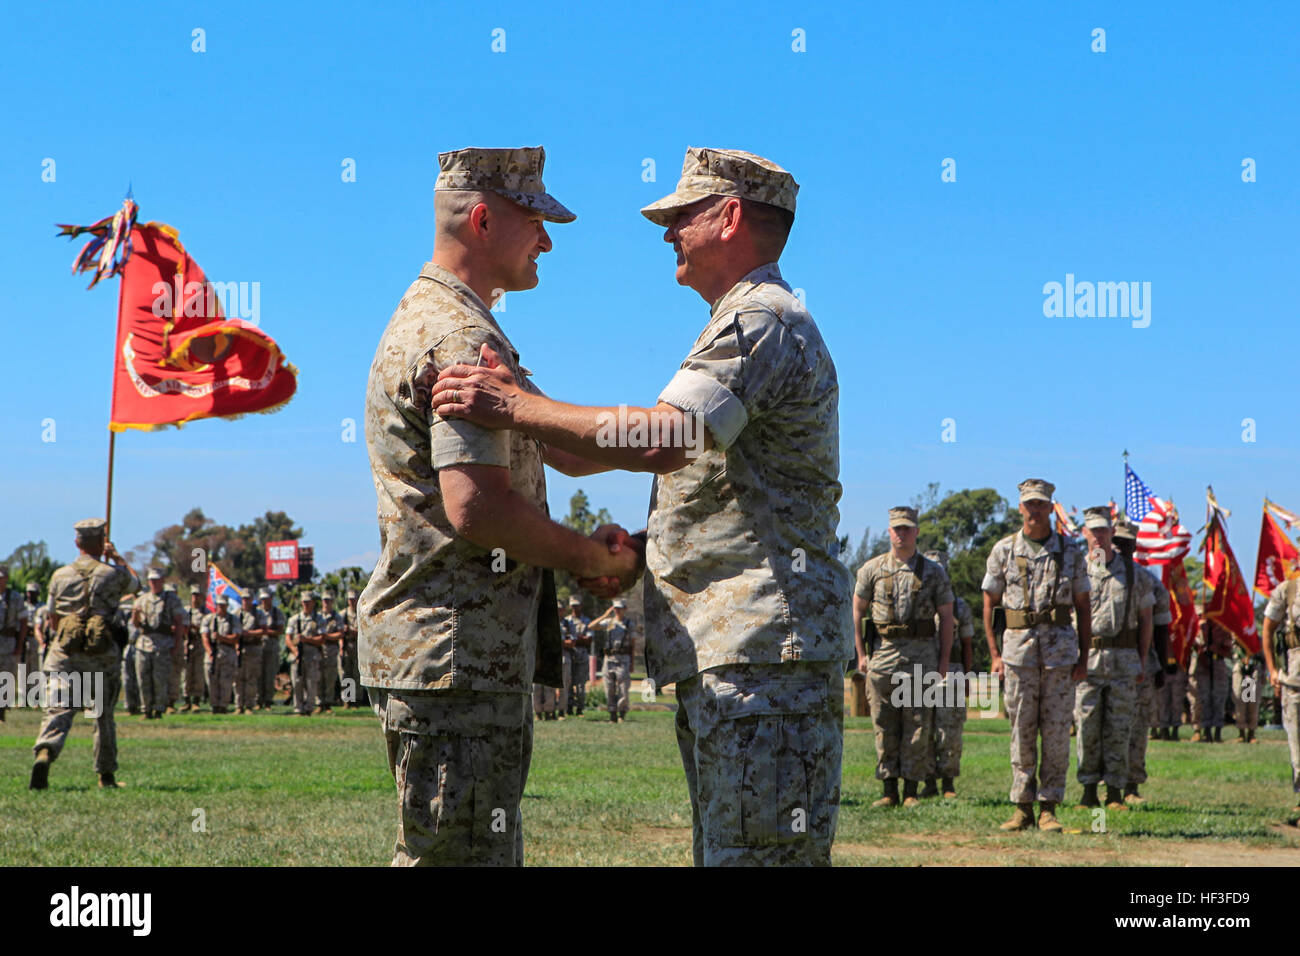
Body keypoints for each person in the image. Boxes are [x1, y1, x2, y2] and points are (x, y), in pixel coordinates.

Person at [430, 146, 852, 866]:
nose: (667, 233)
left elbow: (661, 438)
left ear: (729, 217)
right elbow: (590, 451)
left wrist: (514, 405)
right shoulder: (741, 322)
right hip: (740, 655)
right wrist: (523, 400)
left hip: (762, 657)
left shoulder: (763, 321)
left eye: (681, 216)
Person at [358, 146, 642, 866]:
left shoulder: (454, 323)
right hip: (458, 659)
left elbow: (559, 445)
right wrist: (587, 557)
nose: (547, 238)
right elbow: (478, 511)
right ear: (484, 221)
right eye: (535, 221)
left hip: (457, 658)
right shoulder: (459, 337)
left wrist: (678, 431)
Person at [982, 479, 1091, 832]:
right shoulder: (1004, 550)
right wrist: (995, 654)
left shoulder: (1070, 551)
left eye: (1041, 503)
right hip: (1019, 654)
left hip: (1060, 655)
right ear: (1020, 508)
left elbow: (1083, 606)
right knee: (1021, 729)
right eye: (1029, 503)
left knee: (1057, 731)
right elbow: (989, 603)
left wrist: (1084, 655)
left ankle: (1049, 807)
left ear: (1050, 506)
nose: (1035, 509)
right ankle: (1022, 807)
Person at [854, 509, 954, 808]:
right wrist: (861, 655)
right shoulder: (871, 569)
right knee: (884, 722)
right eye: (897, 528)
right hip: (884, 654)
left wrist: (944, 662)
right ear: (888, 531)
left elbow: (947, 616)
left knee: (917, 723)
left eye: (907, 529)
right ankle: (889, 790)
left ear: (917, 532)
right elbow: (857, 612)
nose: (902, 534)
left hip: (921, 654)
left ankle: (911, 790)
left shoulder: (933, 572)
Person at [30, 519, 139, 790]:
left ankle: (45, 752)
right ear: (102, 542)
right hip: (101, 657)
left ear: (77, 543)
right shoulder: (112, 574)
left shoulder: (59, 575)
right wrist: (116, 557)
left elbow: (53, 619)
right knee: (102, 716)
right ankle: (106, 776)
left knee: (58, 710)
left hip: (64, 655)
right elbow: (135, 585)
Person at [1073, 507, 1153, 811]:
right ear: (1084, 533)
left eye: (1103, 530)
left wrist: (1143, 660)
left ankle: (1116, 792)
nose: (1098, 536)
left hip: (1123, 662)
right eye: (1092, 530)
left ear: (1111, 533)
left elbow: (1146, 622)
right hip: (1088, 662)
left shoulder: (1136, 575)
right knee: (1087, 727)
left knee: (1120, 729)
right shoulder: (1076, 573)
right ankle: (1089, 790)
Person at [1113, 517, 1171, 803]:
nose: (1120, 548)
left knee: (1137, 726)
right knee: (1107, 725)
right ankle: (1105, 783)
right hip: (1107, 663)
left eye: (1126, 544)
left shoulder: (1149, 581)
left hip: (1142, 664)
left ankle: (1132, 785)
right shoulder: (1095, 577)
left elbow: (1162, 627)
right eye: (1116, 543)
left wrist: (1161, 664)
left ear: (1134, 547)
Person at [923, 549, 973, 799]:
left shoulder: (959, 606)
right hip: (921, 671)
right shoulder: (918, 604)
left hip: (952, 672)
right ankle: (928, 782)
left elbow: (967, 644)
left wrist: (967, 678)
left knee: (950, 730)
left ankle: (948, 783)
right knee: (923, 728)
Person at [1263, 578, 1300, 810]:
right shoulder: (1289, 590)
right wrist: (1272, 670)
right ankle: (1245, 729)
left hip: (1249, 675)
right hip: (1289, 680)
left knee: (1247, 703)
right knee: (1245, 701)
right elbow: (1267, 629)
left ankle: (1247, 729)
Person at [132, 568, 185, 720]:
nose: (154, 583)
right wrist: (136, 615)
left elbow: (179, 623)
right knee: (143, 678)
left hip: (163, 643)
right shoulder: (142, 599)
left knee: (160, 679)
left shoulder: (172, 599)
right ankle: (146, 709)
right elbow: (135, 624)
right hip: (144, 642)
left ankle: (159, 709)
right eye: (151, 580)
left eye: (156, 580)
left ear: (162, 580)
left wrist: (177, 645)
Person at [590, 599, 637, 723]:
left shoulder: (629, 624)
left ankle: (621, 714)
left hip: (623, 659)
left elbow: (632, 645)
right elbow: (591, 626)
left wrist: (632, 663)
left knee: (623, 688)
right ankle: (612, 715)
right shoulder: (609, 622)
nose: (617, 610)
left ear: (625, 609)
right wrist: (605, 615)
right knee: (609, 687)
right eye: (615, 608)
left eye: (620, 608)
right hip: (609, 659)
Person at [1190, 617, 1233, 742]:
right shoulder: (1200, 626)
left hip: (1249, 674)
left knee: (1246, 700)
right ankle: (1206, 730)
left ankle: (1248, 732)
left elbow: (1230, 648)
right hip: (1205, 665)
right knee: (1204, 698)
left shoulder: (1246, 633)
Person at [286, 591, 326, 716]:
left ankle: (309, 708)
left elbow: (322, 638)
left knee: (311, 682)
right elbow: (288, 637)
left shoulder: (319, 619)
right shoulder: (294, 619)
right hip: (297, 655)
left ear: (313, 603)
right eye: (304, 602)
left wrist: (306, 639)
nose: (306, 604)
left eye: (308, 602)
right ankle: (298, 708)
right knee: (297, 682)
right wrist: (294, 649)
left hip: (312, 655)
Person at [0, 566, 31, 723]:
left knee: (6, 677)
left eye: (2, 578)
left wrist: (20, 644)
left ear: (6, 579)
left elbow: (24, 622)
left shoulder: (15, 597)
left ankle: (2, 709)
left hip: (8, 642)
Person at [202, 594, 241, 714]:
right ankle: (214, 705)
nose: (221, 608)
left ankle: (223, 705)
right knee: (211, 681)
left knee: (226, 681)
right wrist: (209, 651)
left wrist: (221, 638)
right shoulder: (208, 619)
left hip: (227, 653)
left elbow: (235, 637)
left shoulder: (233, 619)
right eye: (219, 605)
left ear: (227, 606)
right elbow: (204, 636)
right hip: (212, 653)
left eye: (223, 605)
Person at [235, 592, 265, 714]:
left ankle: (249, 706)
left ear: (252, 599)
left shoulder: (258, 613)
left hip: (254, 648)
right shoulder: (236, 614)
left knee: (251, 678)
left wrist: (249, 633)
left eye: (248, 598)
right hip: (240, 648)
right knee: (238, 679)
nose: (246, 601)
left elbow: (263, 630)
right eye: (244, 599)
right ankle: (238, 706)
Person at [180, 589, 208, 712]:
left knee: (198, 673)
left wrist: (193, 626)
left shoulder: (205, 612)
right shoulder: (185, 611)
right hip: (186, 642)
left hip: (199, 643)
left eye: (197, 595)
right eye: (193, 595)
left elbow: (207, 628)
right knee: (185, 673)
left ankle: (196, 701)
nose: (195, 598)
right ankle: (186, 701)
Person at [563, 597, 590, 715]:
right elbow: (564, 639)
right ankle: (568, 708)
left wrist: (573, 639)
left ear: (581, 606)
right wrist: (578, 638)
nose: (575, 608)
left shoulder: (586, 621)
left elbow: (589, 640)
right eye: (573, 605)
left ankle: (580, 708)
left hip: (582, 656)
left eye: (577, 605)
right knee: (567, 683)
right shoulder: (566, 621)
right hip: (569, 654)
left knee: (580, 686)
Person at [258, 588, 285, 709]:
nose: (265, 601)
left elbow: (280, 630)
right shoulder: (257, 612)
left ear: (271, 599)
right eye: (263, 599)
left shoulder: (277, 613)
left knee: (270, 674)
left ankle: (268, 700)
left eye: (267, 598)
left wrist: (265, 631)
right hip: (258, 645)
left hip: (272, 646)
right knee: (258, 674)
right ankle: (258, 700)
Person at [319, 591, 344, 709]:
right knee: (318, 677)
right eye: (324, 600)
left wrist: (327, 637)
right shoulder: (317, 616)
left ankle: (328, 703)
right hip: (318, 649)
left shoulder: (336, 616)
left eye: (328, 600)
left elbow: (340, 633)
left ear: (332, 602)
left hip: (332, 649)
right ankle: (319, 703)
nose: (326, 603)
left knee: (330, 677)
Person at [1232, 643, 1261, 744]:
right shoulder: (1235, 634)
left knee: (1251, 701)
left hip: (1253, 667)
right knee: (1240, 700)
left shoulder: (1257, 631)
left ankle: (1251, 733)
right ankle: (1241, 732)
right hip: (1239, 667)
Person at [341, 589, 363, 708]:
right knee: (346, 674)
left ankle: (357, 700)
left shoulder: (361, 613)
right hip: (346, 646)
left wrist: (350, 631)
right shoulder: (343, 614)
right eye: (350, 599)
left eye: (354, 599)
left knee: (357, 673)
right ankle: (347, 700)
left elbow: (363, 632)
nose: (352, 601)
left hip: (358, 645)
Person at [25, 580, 44, 676]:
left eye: (32, 592)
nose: (30, 594)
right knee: (23, 668)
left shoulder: (43, 607)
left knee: (36, 669)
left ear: (38, 593)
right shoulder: (23, 606)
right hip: (25, 639)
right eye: (28, 592)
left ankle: (35, 690)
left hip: (37, 640)